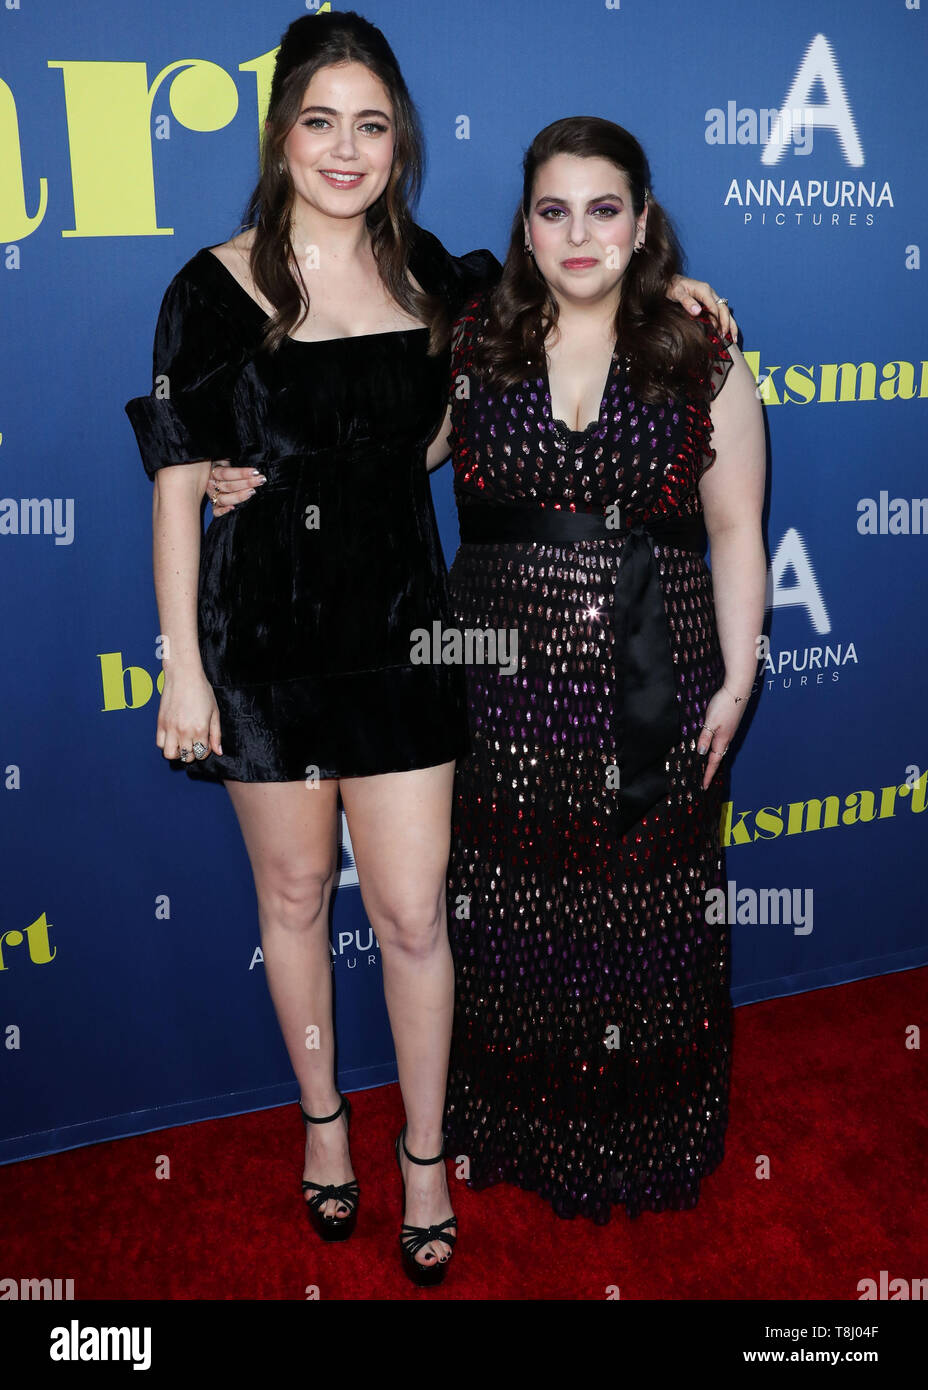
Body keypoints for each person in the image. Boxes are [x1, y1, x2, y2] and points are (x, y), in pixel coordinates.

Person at [180, 16, 734, 1281]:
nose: (346, 147)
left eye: (372, 124)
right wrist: (236, 481)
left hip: (494, 655)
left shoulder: (443, 278)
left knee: (436, 910)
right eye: (320, 120)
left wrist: (690, 297)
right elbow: (316, 451)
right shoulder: (295, 296)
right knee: (332, 902)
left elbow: (712, 498)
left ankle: (441, 1153)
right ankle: (335, 1131)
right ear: (279, 131)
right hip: (352, 651)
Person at [434, 117, 766, 1223]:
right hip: (497, 689)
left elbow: (734, 534)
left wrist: (734, 683)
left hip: (655, 677)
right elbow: (377, 453)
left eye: (604, 207)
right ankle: (510, 1123)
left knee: (645, 909)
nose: (579, 232)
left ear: (642, 220)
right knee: (511, 910)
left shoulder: (702, 351)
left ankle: (643, 1131)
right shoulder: (471, 342)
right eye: (552, 209)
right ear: (525, 228)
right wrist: (243, 469)